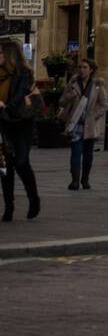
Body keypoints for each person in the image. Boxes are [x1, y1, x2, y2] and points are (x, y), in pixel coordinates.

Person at [0, 36, 41, 220]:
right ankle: (9, 208)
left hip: (21, 124)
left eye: (0, 52)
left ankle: (34, 199)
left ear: (9, 55)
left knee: (21, 163)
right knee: (4, 166)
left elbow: (17, 98)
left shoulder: (23, 73)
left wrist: (4, 107)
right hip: (3, 125)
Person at [58, 58, 108, 191]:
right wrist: (70, 96)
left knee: (88, 154)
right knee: (76, 152)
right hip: (75, 125)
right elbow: (61, 102)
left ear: (91, 70)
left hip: (90, 125)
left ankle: (85, 179)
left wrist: (94, 116)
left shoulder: (97, 85)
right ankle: (74, 181)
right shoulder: (73, 84)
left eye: (85, 67)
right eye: (80, 67)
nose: (82, 70)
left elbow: (104, 105)